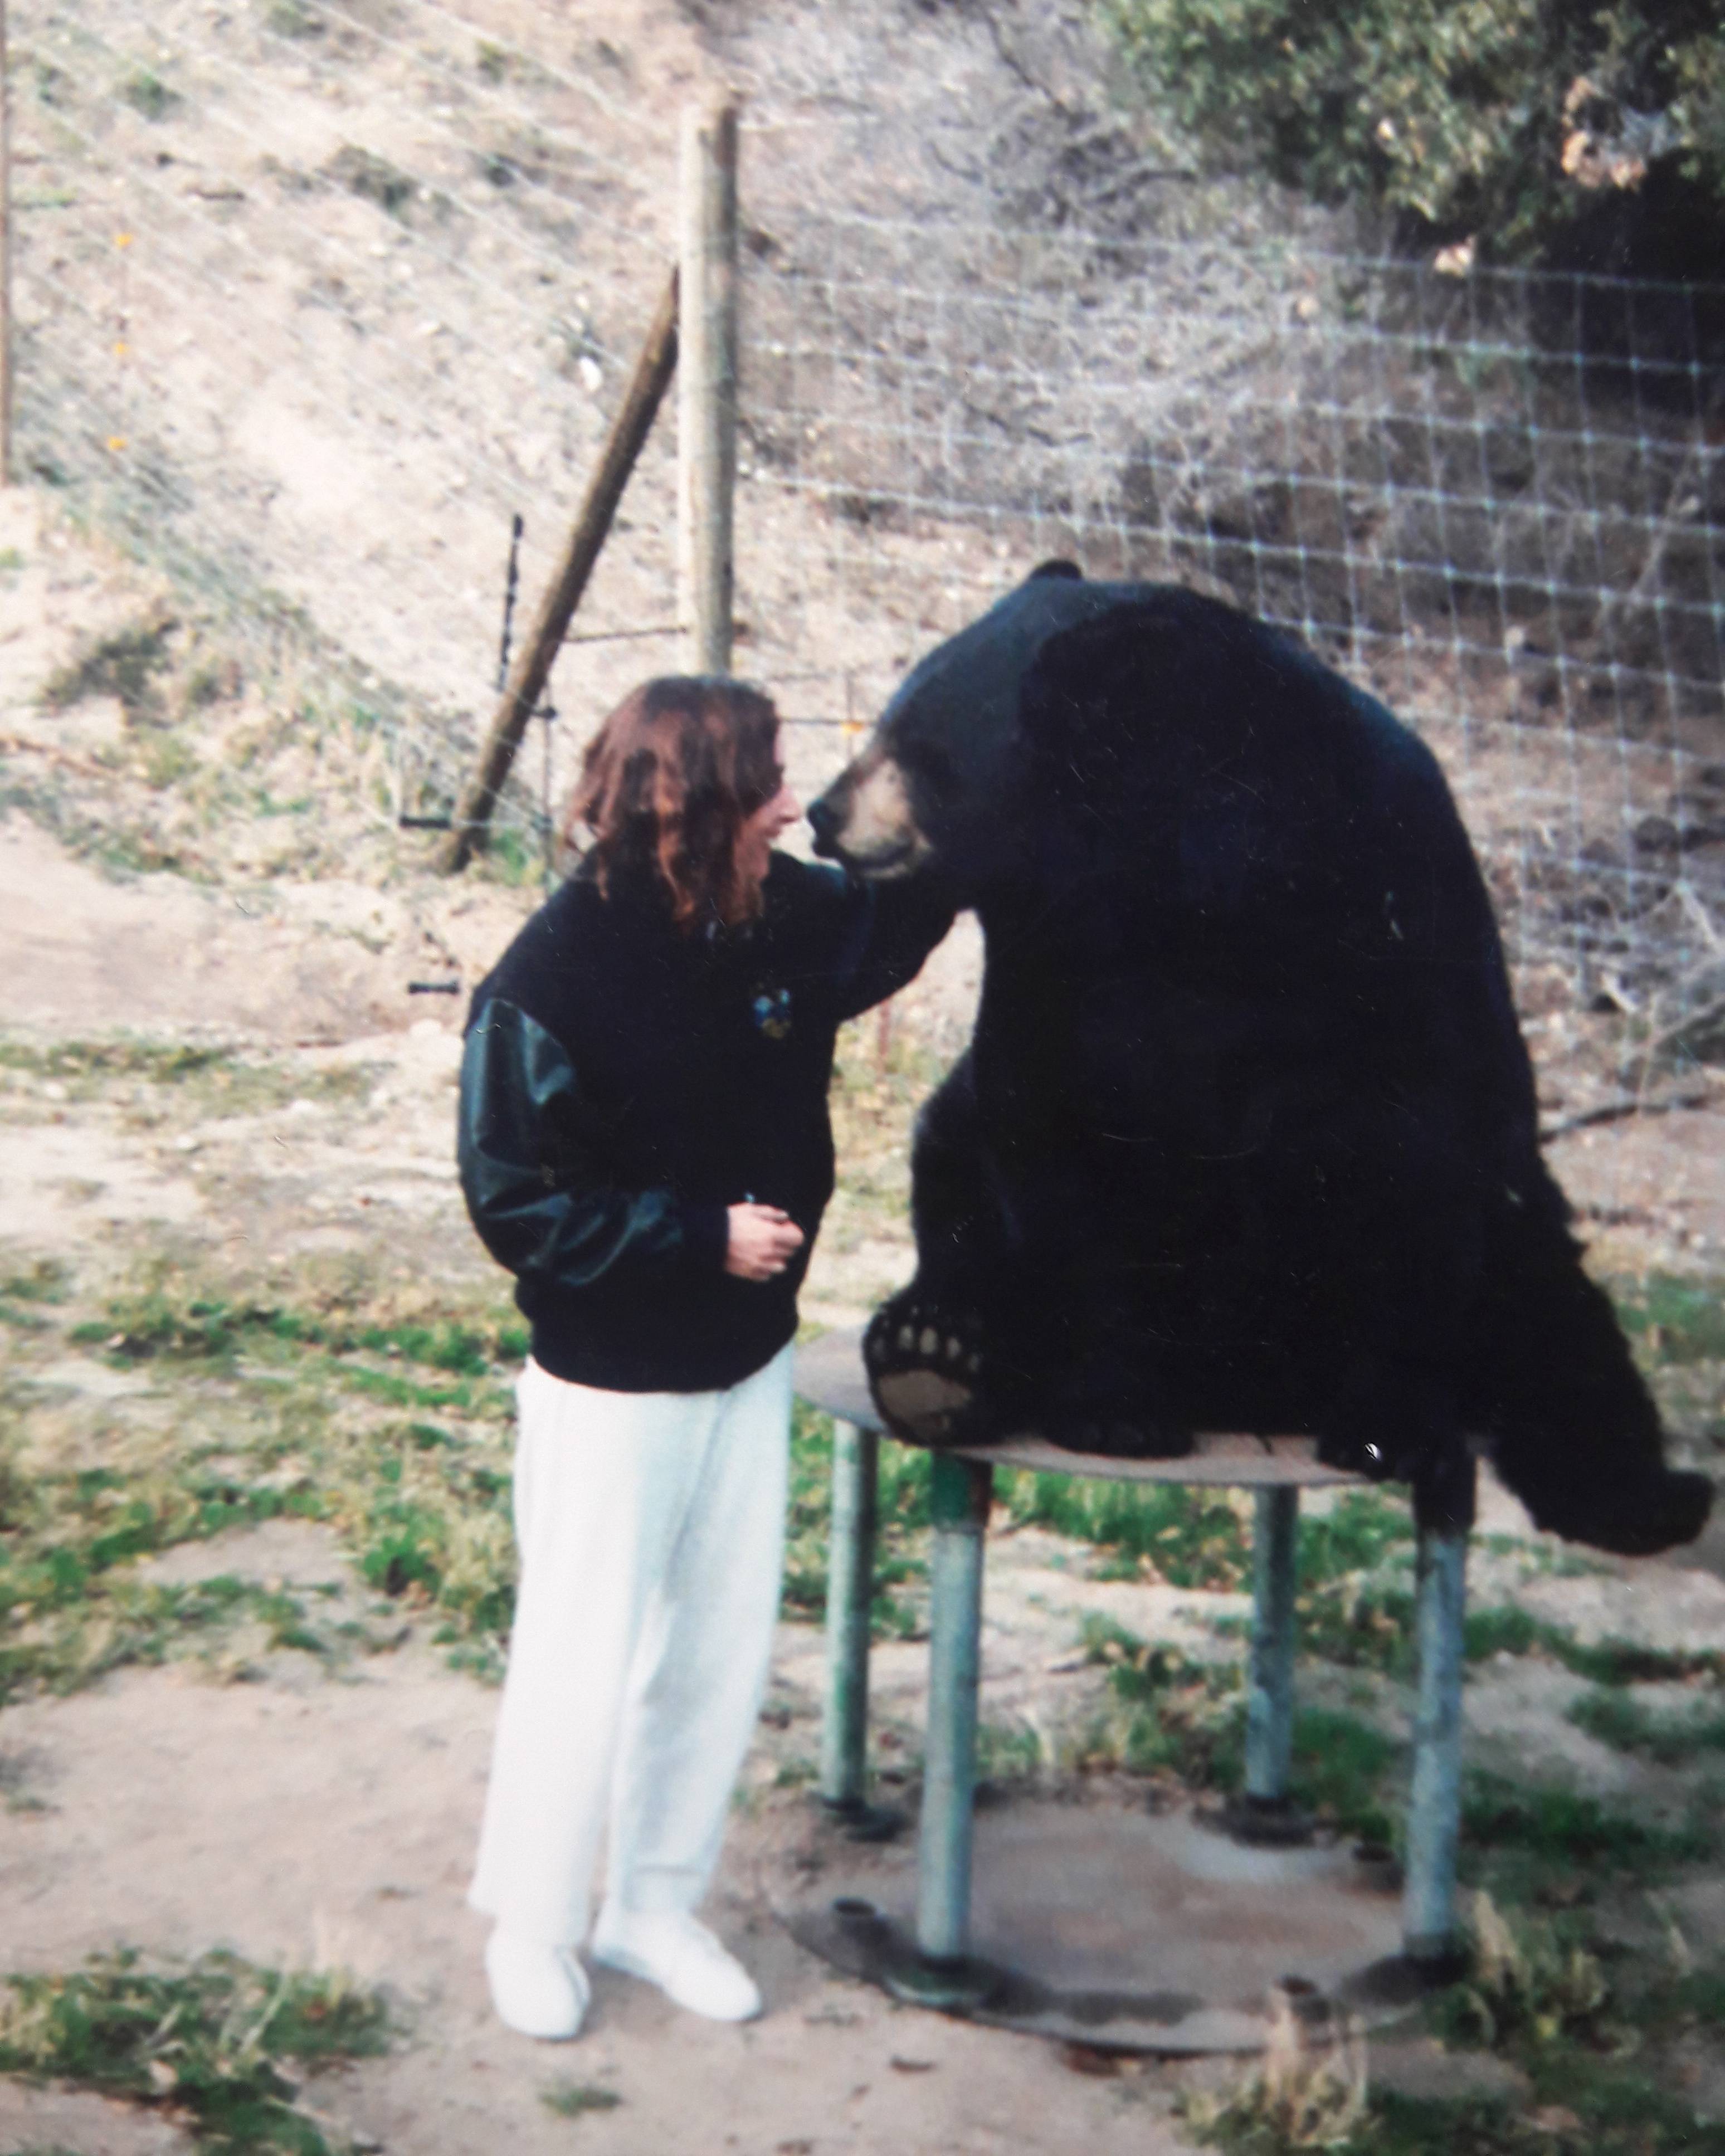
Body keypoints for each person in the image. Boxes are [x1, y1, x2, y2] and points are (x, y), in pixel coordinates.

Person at [456, 675, 954, 2040]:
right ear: (696, 808)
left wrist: (977, 807)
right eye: (771, 785)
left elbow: (892, 927)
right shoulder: (551, 980)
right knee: (587, 1652)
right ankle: (541, 1926)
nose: (795, 806)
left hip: (745, 1365)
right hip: (615, 1380)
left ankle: (654, 1904)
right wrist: (689, 1236)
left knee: (717, 1648)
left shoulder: (770, 914)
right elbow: (517, 1199)